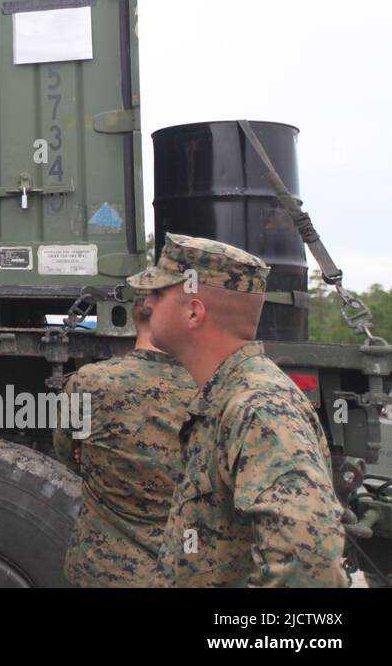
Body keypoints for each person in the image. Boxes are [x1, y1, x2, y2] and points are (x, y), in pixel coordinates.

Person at [129, 234, 347, 587]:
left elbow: (309, 567)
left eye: (158, 293)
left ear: (193, 312)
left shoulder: (259, 409)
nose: (147, 303)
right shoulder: (228, 397)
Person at [52, 292, 196, 586]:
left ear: (133, 316)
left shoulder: (87, 383)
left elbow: (66, 454)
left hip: (103, 570)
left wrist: (96, 457)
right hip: (183, 570)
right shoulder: (208, 386)